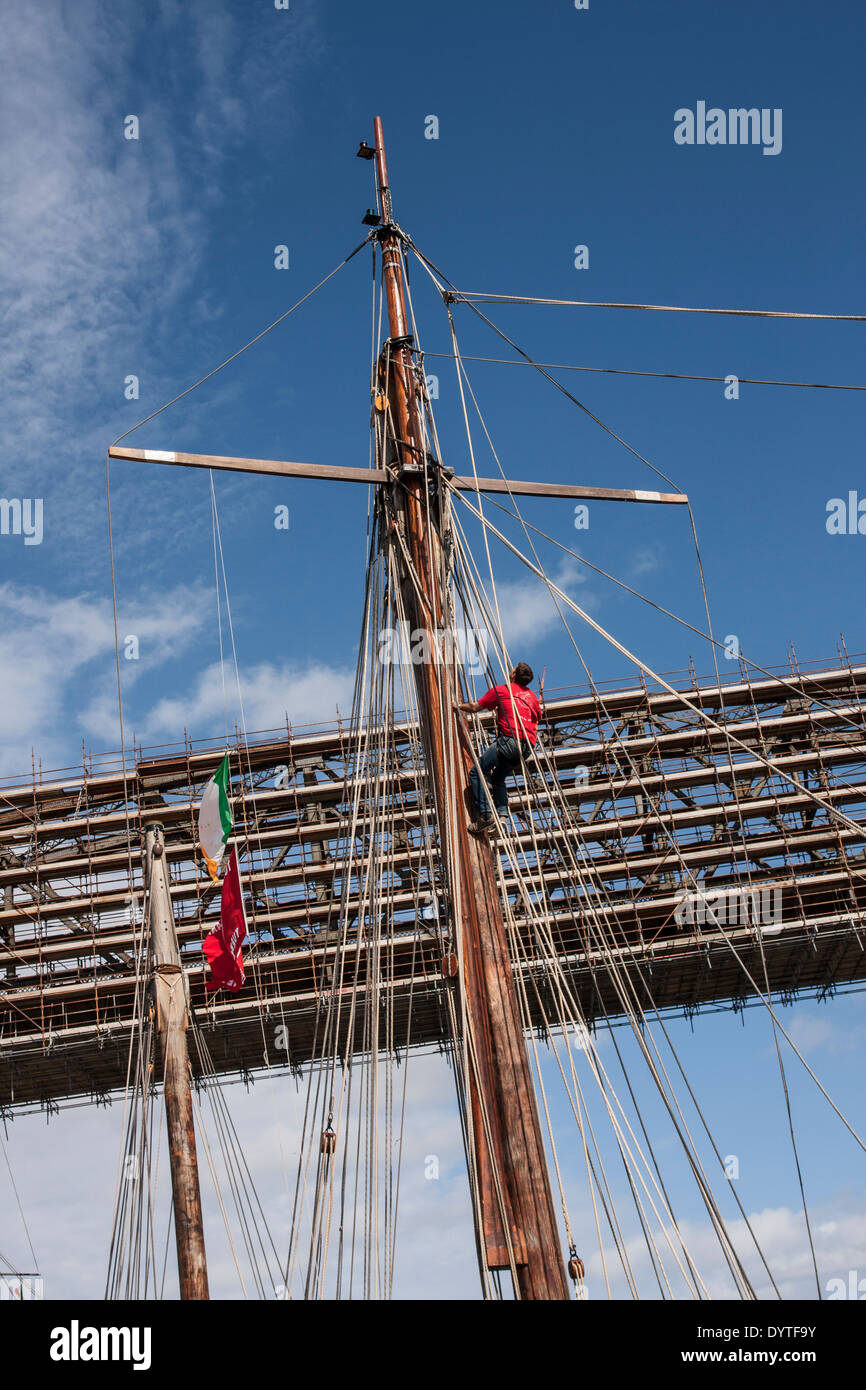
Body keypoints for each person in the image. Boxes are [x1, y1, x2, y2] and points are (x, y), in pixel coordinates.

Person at [454, 662, 542, 827]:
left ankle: (486, 816)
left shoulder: (503, 690)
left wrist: (457, 706)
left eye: (513, 669)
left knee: (476, 773)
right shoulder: (531, 696)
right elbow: (537, 716)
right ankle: (502, 816)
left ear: (513, 675)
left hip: (509, 740)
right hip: (527, 747)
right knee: (498, 779)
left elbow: (475, 707)